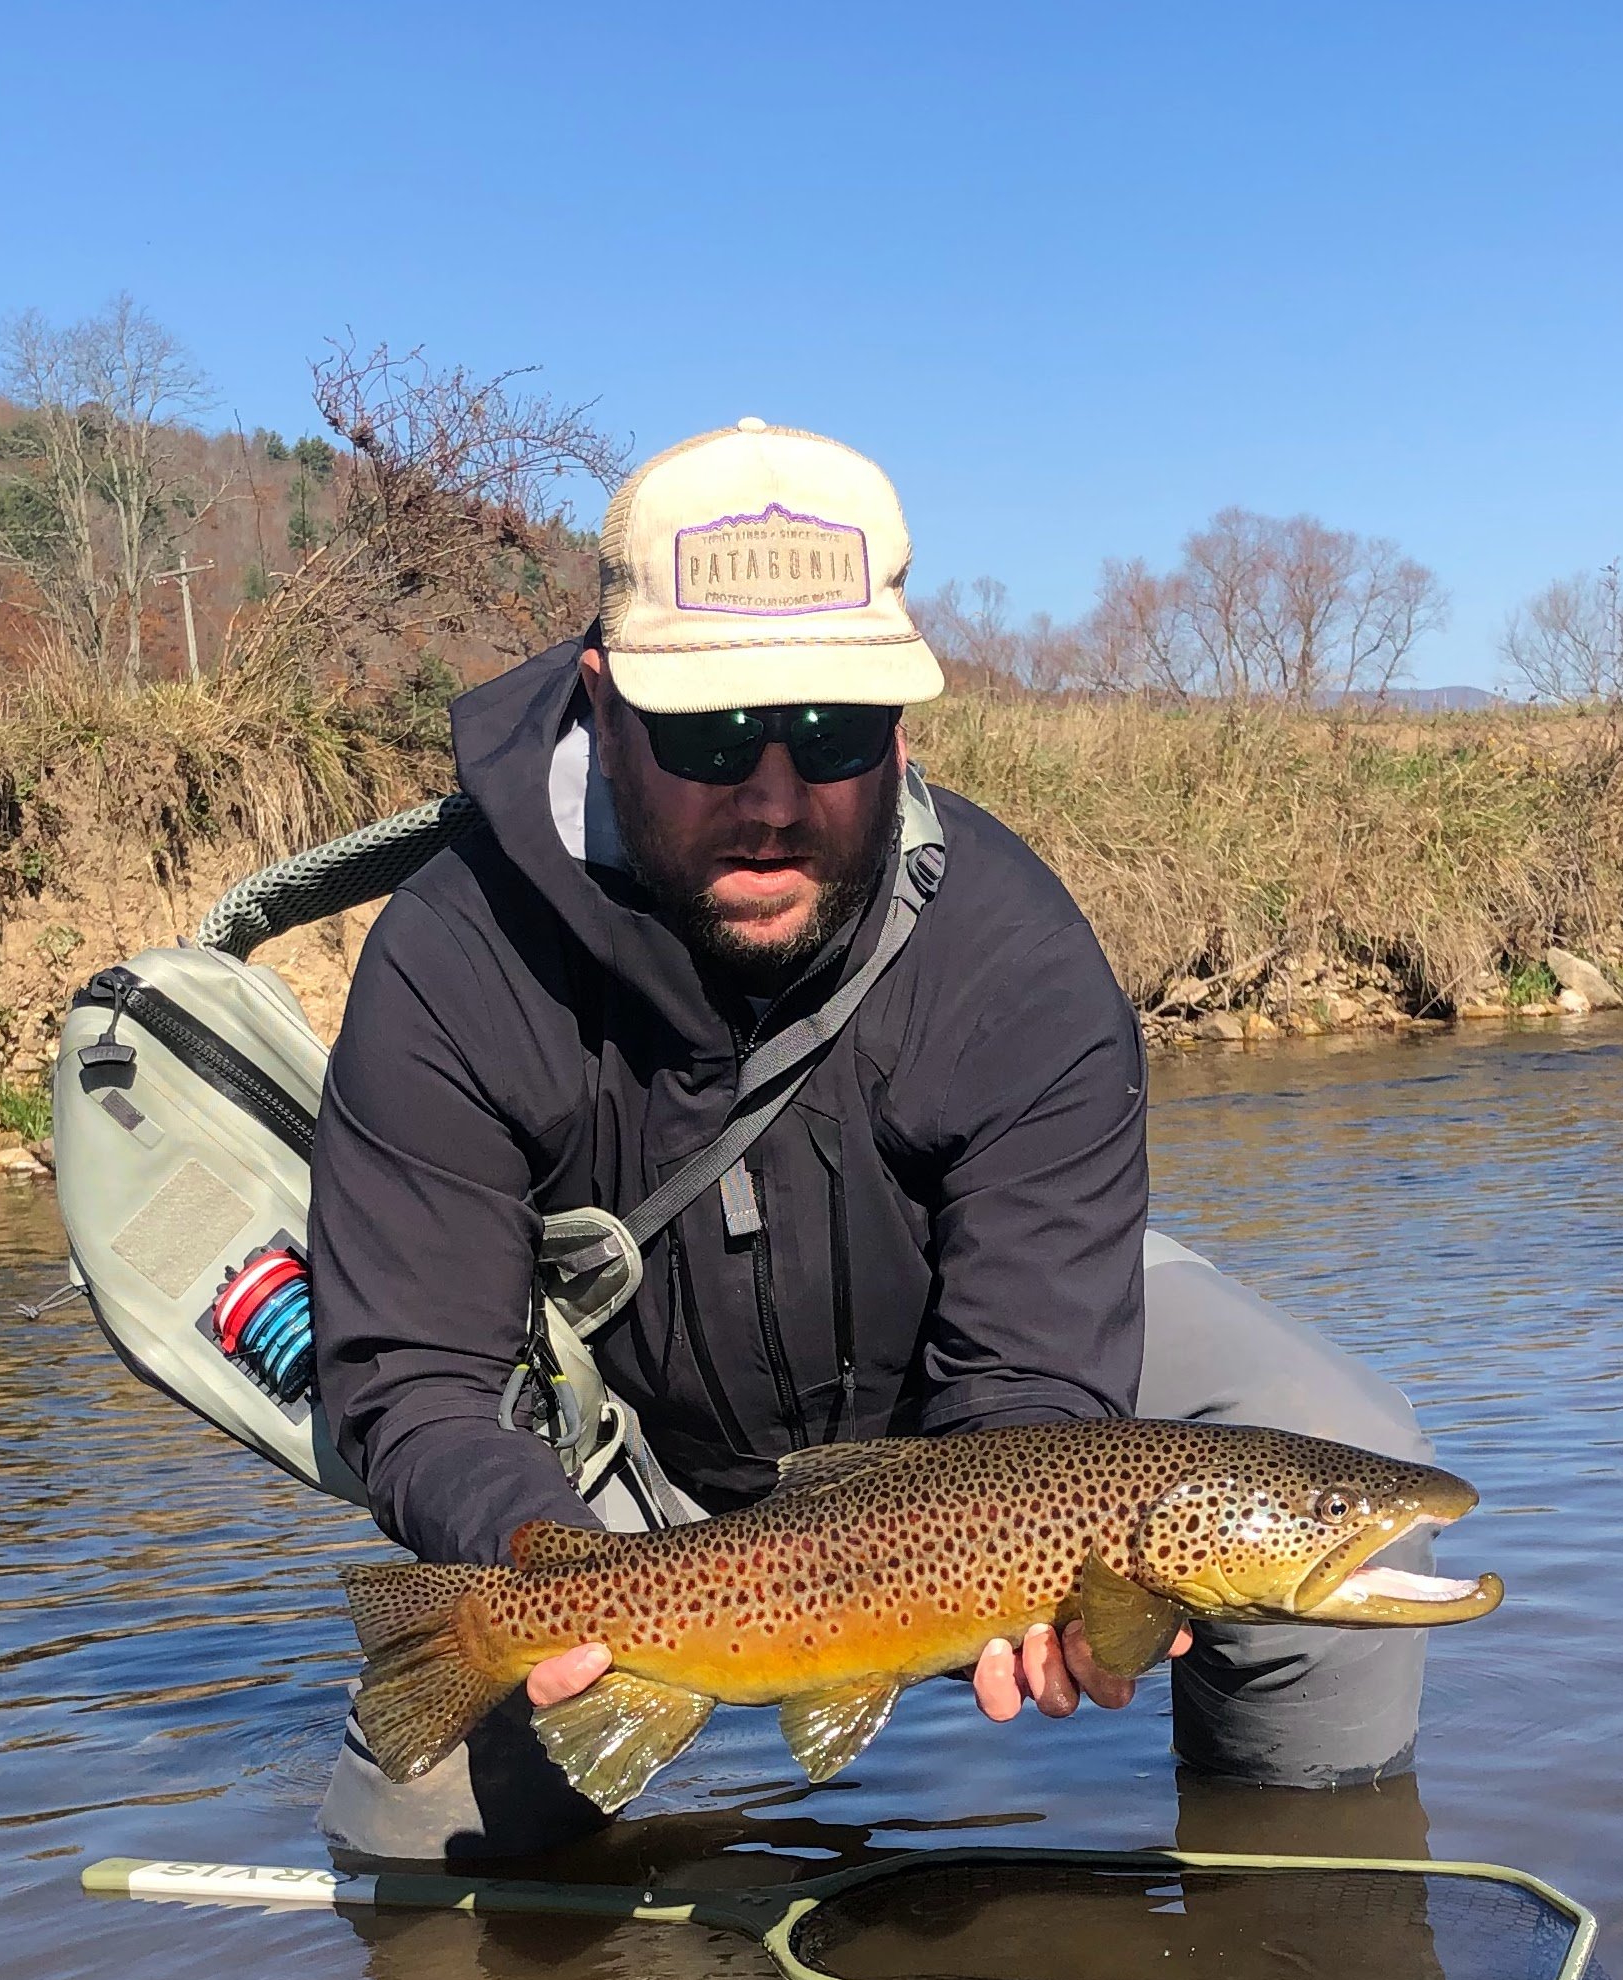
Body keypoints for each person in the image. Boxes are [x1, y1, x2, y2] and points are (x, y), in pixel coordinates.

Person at [309, 418, 1441, 1860]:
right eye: (711, 734)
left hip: (977, 1440)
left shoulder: (1018, 961)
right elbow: (413, 1384)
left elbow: (1033, 1365)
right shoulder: (450, 965)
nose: (774, 797)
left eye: (832, 732)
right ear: (602, 703)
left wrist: (1039, 1563)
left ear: (902, 726)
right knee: (416, 1830)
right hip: (615, 1474)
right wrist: (553, 1567)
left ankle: (1297, 1978)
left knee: (1340, 1462)